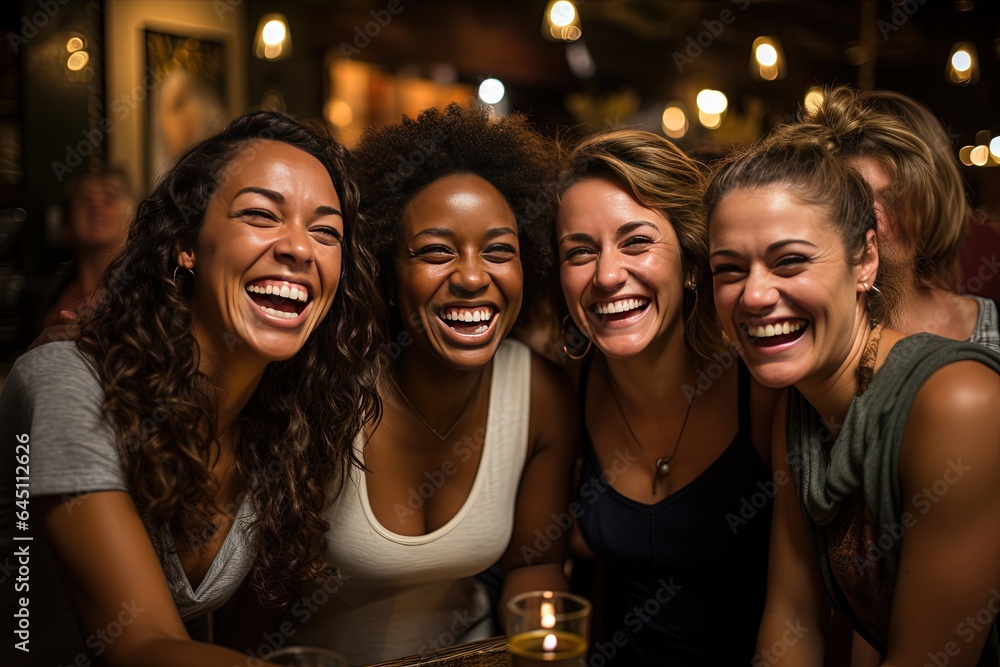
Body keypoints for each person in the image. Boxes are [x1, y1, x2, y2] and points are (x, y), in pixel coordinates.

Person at [0, 110, 383, 666]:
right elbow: (141, 646)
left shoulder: (291, 419)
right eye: (260, 214)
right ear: (185, 242)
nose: (300, 248)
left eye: (325, 231)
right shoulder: (68, 381)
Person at [291, 103, 579, 666]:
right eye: (437, 252)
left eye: (499, 251)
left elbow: (533, 565)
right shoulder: (325, 387)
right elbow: (252, 608)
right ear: (385, 269)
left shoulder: (542, 394)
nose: (473, 277)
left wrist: (539, 654)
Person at [706, 137, 1000, 666]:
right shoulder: (798, 403)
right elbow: (792, 622)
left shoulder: (959, 403)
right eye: (728, 269)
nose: (752, 296)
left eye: (790, 261)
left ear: (864, 259)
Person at [554, 129, 778, 665]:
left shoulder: (764, 386)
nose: (607, 275)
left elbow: (806, 611)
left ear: (692, 262)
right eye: (580, 252)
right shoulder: (568, 384)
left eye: (637, 242)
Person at [779, 85, 998, 351]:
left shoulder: (989, 324)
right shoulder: (803, 337)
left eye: (895, 199)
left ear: (925, 204)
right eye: (857, 205)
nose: (878, 225)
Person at [37, 168, 135, 331]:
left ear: (133, 216)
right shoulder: (47, 296)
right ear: (66, 224)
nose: (96, 205)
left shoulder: (152, 291)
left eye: (109, 197)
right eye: (85, 199)